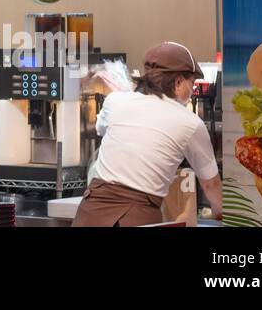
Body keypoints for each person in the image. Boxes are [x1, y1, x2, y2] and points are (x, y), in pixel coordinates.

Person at [72, 42, 222, 227]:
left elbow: (102, 130)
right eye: (192, 83)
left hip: (89, 214)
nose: (192, 92)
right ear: (178, 82)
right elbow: (211, 185)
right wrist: (220, 213)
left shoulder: (116, 100)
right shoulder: (190, 123)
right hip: (136, 217)